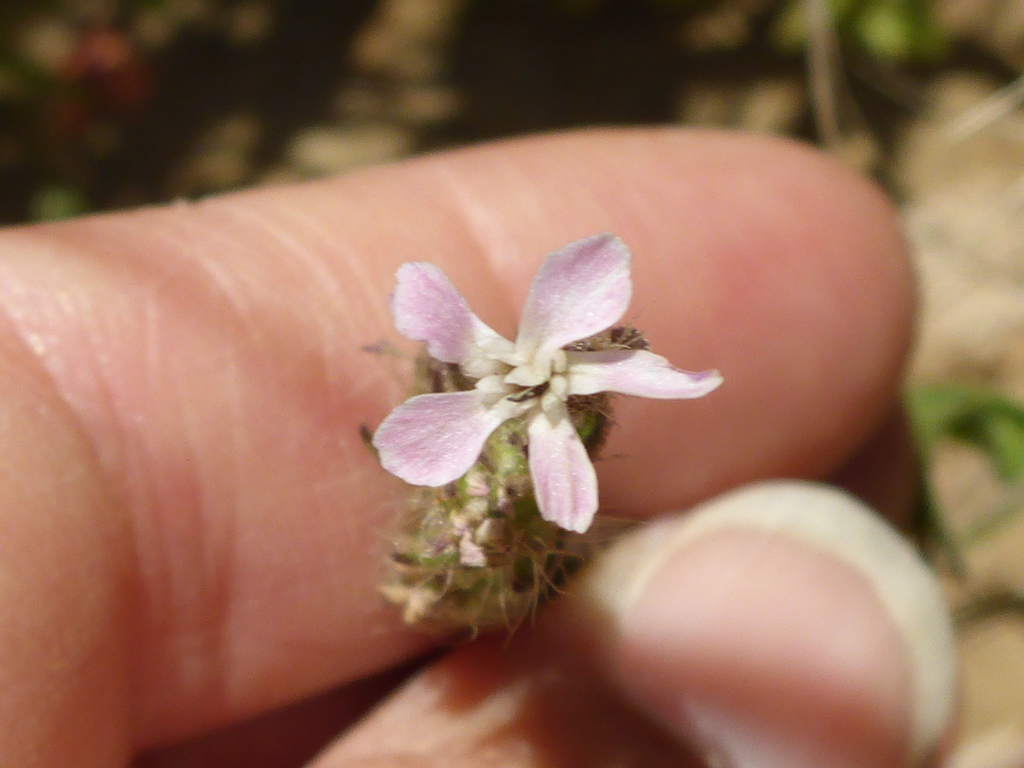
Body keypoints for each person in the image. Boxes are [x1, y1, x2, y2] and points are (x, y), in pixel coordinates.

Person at [0, 128, 952, 767]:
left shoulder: (557, 417)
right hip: (473, 530)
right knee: (472, 551)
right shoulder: (478, 399)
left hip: (509, 519)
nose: (538, 383)